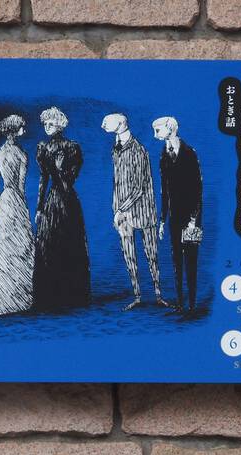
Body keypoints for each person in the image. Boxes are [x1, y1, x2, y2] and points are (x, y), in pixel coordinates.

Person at [101, 113, 168, 310]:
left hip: (143, 212)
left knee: (151, 255)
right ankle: (138, 296)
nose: (105, 124)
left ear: (121, 124)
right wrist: (116, 209)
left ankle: (158, 295)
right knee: (129, 255)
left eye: (110, 121)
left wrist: (120, 209)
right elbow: (117, 183)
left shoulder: (139, 150)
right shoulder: (115, 148)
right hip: (122, 215)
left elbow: (139, 187)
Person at [32, 107, 92, 310]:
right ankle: (50, 295)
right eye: (45, 123)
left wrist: (61, 165)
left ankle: (74, 294)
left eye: (50, 123)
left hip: (67, 200)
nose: (46, 127)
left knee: (70, 243)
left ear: (59, 125)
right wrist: (39, 208)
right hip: (52, 202)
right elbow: (43, 179)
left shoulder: (72, 147)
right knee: (48, 245)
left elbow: (69, 179)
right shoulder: (42, 148)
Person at [0, 115, 35, 318]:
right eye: (22, 127)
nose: (25, 130)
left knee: (2, 250)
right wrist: (18, 202)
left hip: (3, 202)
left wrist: (2, 199)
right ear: (15, 130)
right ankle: (20, 300)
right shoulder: (22, 154)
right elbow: (21, 186)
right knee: (20, 247)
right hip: (16, 200)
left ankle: (1, 301)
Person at [152, 116, 202, 314]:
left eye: (158, 130)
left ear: (170, 129)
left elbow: (198, 189)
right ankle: (181, 303)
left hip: (192, 217)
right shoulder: (164, 155)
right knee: (176, 260)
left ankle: (191, 304)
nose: (155, 134)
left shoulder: (189, 153)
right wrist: (163, 220)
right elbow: (164, 191)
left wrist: (193, 220)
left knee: (191, 259)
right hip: (173, 217)